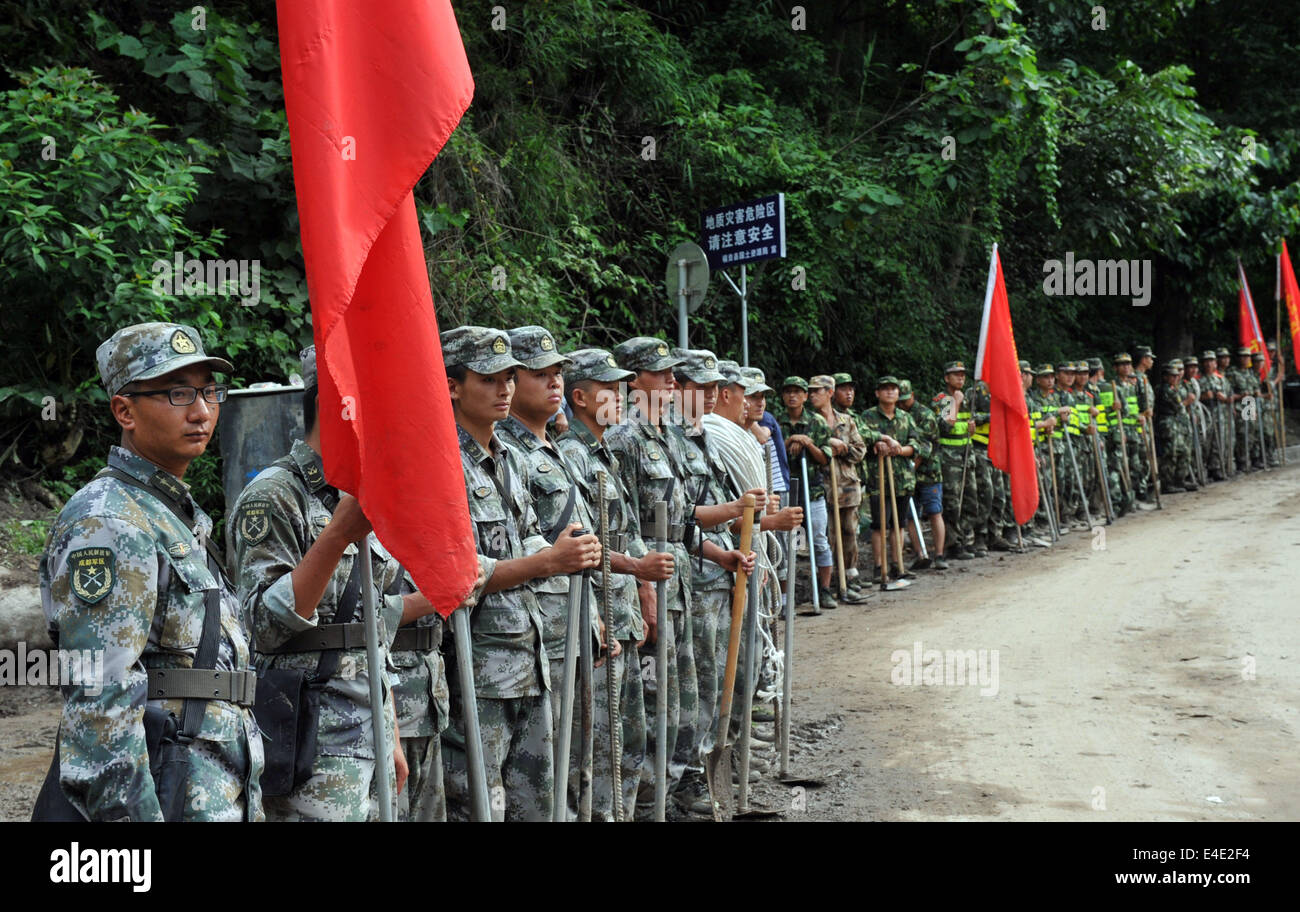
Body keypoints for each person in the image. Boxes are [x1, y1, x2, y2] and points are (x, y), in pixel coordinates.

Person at [39, 322, 263, 821]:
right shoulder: (110, 522)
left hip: (209, 792)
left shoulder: (167, 514)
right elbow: (101, 705)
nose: (202, 411)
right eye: (178, 393)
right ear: (125, 411)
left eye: (209, 391)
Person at [233, 345, 442, 821]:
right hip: (310, 734)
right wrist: (338, 534)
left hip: (367, 724)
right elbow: (263, 626)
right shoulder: (272, 495)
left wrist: (387, 732)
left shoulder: (364, 492)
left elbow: (369, 628)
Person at [440, 325, 601, 821]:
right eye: (489, 378)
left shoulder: (507, 458)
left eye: (510, 376)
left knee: (537, 800)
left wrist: (560, 548)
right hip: (476, 667)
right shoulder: (440, 464)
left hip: (529, 654)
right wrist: (546, 562)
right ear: (452, 385)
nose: (504, 389)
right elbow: (455, 571)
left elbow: (527, 531)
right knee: (478, 803)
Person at [606, 337, 752, 815]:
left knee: (683, 701)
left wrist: (718, 554)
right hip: (650, 582)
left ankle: (675, 790)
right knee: (653, 700)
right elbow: (624, 521)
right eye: (660, 373)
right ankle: (650, 802)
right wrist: (642, 587)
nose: (672, 380)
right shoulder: (624, 437)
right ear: (632, 382)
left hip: (682, 578)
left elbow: (680, 519)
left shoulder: (666, 434)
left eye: (673, 373)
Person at [558, 347, 672, 821]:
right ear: (581, 397)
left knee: (623, 739)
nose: (621, 395)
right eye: (610, 388)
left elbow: (624, 531)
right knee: (594, 749)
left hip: (619, 614)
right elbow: (581, 547)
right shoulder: (571, 456)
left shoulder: (604, 453)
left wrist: (643, 592)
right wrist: (631, 582)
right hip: (596, 619)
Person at [810, 374, 870, 602]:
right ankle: (830, 583)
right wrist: (827, 444)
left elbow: (860, 450)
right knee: (828, 536)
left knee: (848, 532)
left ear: (829, 393)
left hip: (847, 484)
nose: (813, 394)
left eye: (818, 390)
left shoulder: (846, 420)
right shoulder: (811, 421)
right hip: (822, 486)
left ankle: (849, 577)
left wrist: (843, 448)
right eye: (811, 391)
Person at [778, 376, 837, 606]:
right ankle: (786, 595)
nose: (793, 396)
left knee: (818, 540)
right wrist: (791, 439)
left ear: (805, 396)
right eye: (788, 391)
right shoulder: (776, 423)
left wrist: (808, 443)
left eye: (798, 392)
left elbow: (825, 459)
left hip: (812, 492)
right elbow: (769, 455)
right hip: (786, 493)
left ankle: (824, 590)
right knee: (789, 543)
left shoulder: (817, 423)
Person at [859, 377, 916, 582]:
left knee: (898, 524)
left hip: (902, 478)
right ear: (877, 393)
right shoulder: (868, 416)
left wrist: (898, 450)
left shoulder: (905, 417)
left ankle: (897, 564)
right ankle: (878, 566)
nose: (890, 392)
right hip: (878, 477)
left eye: (893, 389)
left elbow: (916, 444)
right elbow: (861, 437)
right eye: (885, 389)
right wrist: (879, 441)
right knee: (879, 524)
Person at [897, 379, 947, 568]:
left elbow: (924, 447)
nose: (902, 404)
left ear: (912, 396)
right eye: (899, 400)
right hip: (907, 475)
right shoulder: (899, 415)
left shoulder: (925, 415)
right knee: (911, 515)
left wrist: (911, 469)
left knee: (934, 511)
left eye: (905, 400)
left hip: (928, 473)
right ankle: (921, 555)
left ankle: (940, 554)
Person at [931, 361, 977, 559]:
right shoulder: (941, 399)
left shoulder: (968, 399)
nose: (961, 378)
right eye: (956, 374)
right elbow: (945, 426)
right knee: (952, 502)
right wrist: (955, 403)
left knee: (970, 499)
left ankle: (967, 540)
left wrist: (971, 429)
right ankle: (953, 544)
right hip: (949, 458)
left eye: (963, 375)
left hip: (966, 453)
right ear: (946, 378)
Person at [1155, 360, 1195, 492]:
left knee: (1182, 451)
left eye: (1176, 375)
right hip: (1167, 424)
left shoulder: (1174, 388)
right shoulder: (1165, 389)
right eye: (1172, 375)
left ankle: (1179, 480)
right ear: (1165, 376)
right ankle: (1167, 483)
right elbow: (1178, 407)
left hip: (1176, 424)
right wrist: (1187, 402)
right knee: (1169, 453)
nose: (1176, 377)